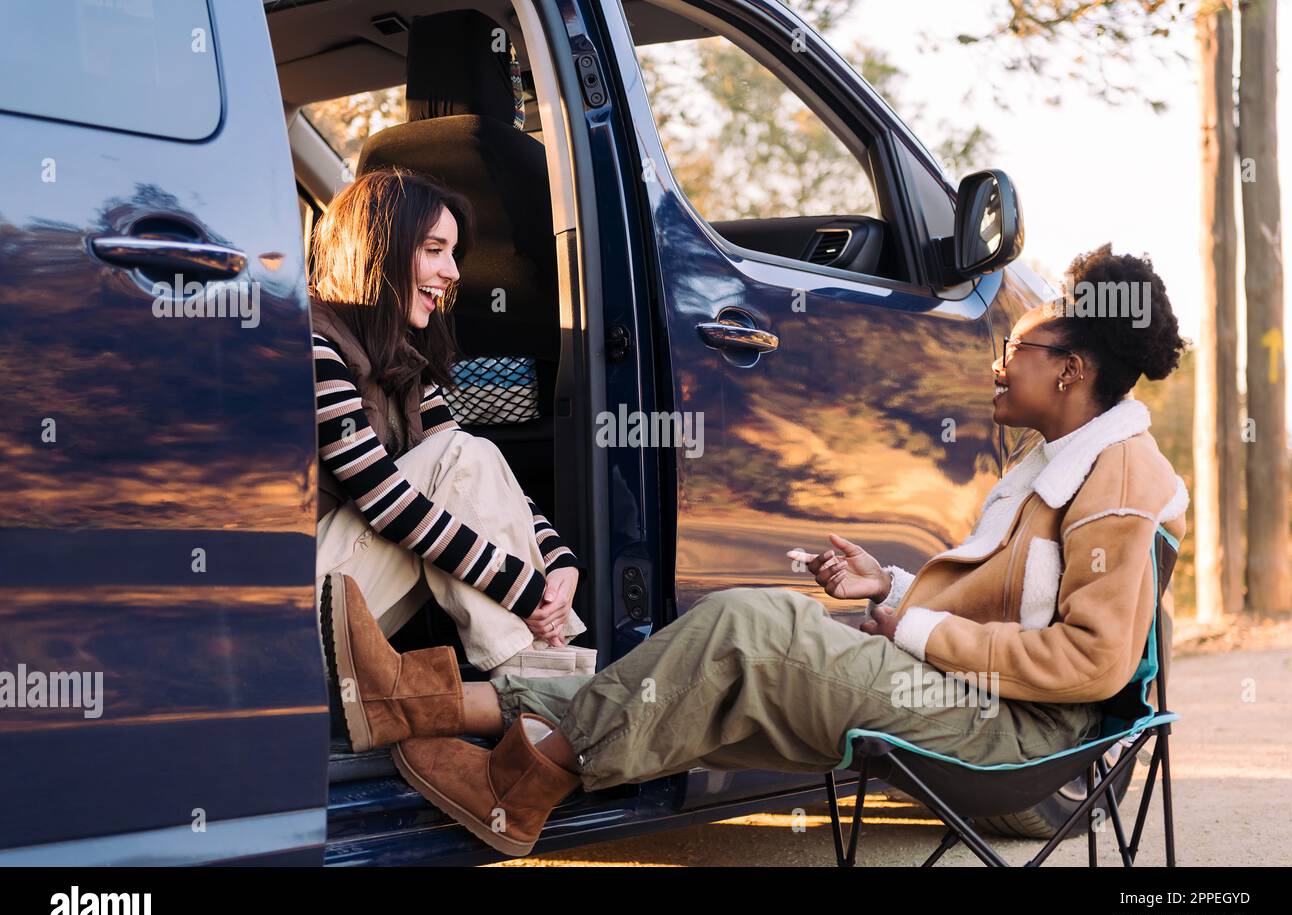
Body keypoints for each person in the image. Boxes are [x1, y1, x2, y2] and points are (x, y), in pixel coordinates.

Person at [326, 243, 1190, 857]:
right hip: (972, 696)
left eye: (1017, 351)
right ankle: (425, 702)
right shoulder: (1061, 460)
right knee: (701, 660)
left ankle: (520, 786)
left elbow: (1091, 662)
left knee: (743, 630)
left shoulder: (1116, 481)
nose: (998, 364)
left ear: (1072, 370)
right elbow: (1011, 601)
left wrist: (908, 626)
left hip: (1013, 734)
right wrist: (885, 584)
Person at [312, 167, 588, 754]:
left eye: (453, 253)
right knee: (464, 454)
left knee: (472, 455)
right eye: (434, 250)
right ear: (377, 251)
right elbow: (387, 503)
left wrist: (558, 560)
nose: (454, 273)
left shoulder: (399, 360)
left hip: (354, 596)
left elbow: (478, 485)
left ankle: (548, 697)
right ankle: (554, 701)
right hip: (297, 608)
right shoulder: (310, 345)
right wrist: (524, 588)